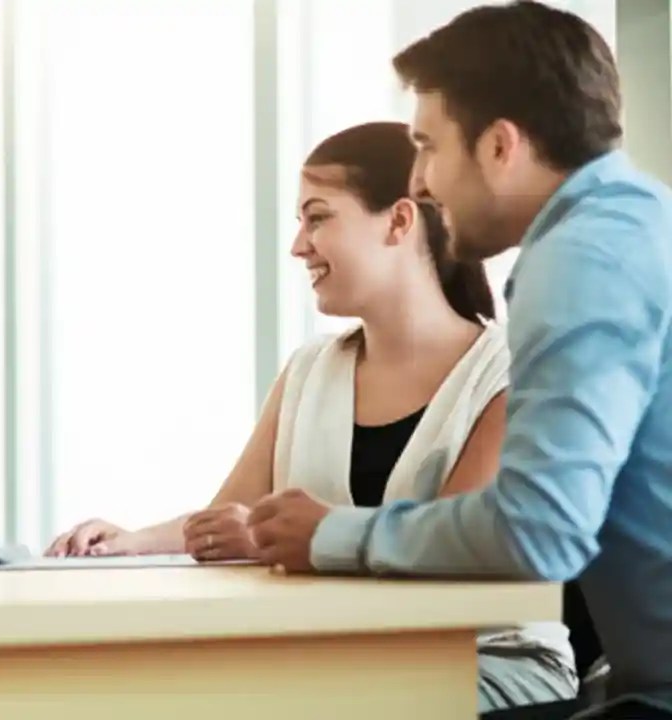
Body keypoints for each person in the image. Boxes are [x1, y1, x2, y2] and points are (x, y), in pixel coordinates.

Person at [46, 121, 576, 712]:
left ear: (400, 221)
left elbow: (450, 556)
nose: (298, 245)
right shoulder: (309, 370)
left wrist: (301, 539)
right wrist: (133, 541)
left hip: (488, 664)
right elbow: (232, 522)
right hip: (346, 656)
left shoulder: (513, 374)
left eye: (317, 217)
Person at [243, 3, 672, 719]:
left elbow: (540, 530)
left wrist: (331, 534)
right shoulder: (639, 222)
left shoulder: (580, 258)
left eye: (428, 146)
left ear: (500, 146)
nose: (418, 181)